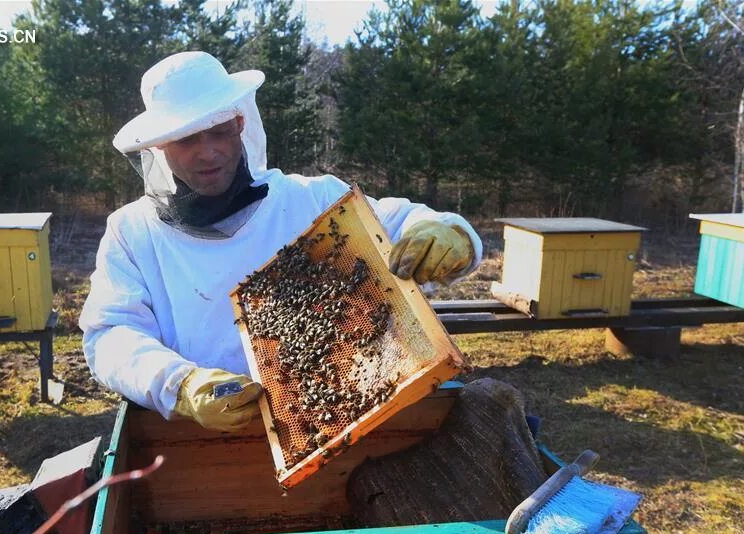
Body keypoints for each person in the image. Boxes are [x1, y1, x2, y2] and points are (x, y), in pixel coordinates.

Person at [79, 52, 483, 433]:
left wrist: (449, 231)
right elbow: (110, 335)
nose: (208, 152)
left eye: (219, 131)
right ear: (159, 147)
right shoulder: (132, 231)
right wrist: (181, 385)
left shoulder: (312, 198)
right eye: (186, 140)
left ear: (240, 124)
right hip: (199, 438)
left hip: (341, 419)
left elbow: (405, 221)